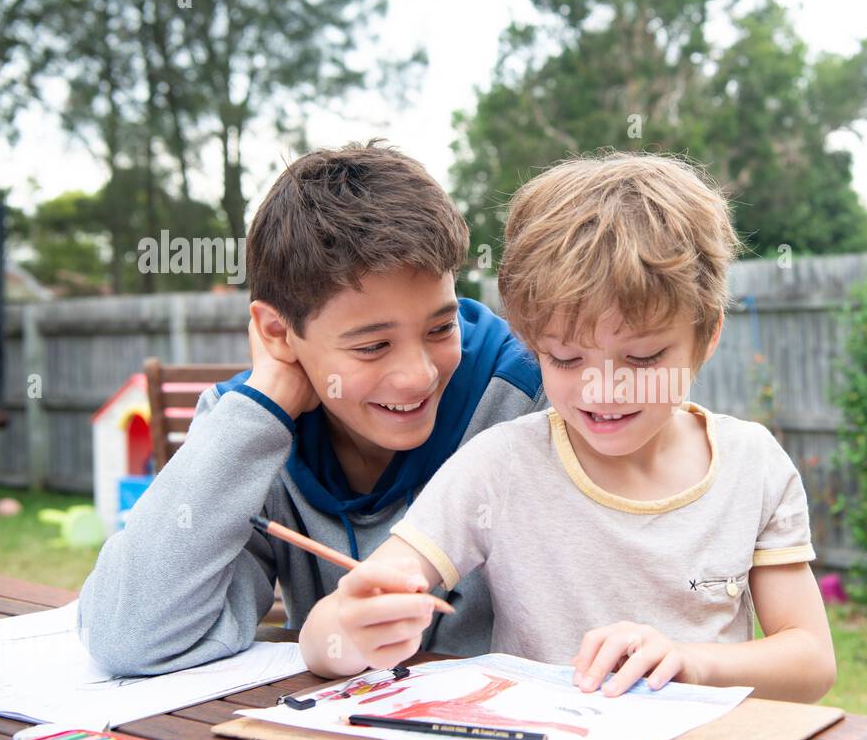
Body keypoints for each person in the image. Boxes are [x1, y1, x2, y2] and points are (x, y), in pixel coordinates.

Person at [306, 152, 836, 703]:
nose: (603, 391)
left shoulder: (752, 463)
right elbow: (328, 635)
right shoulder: (500, 465)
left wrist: (690, 663)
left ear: (708, 335)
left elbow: (811, 662)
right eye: (565, 359)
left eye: (642, 358)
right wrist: (351, 624)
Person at [77, 141, 546, 677]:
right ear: (278, 332)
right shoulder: (249, 431)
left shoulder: (530, 395)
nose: (419, 374)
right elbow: (126, 636)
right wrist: (267, 403)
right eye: (372, 346)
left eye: (441, 327)